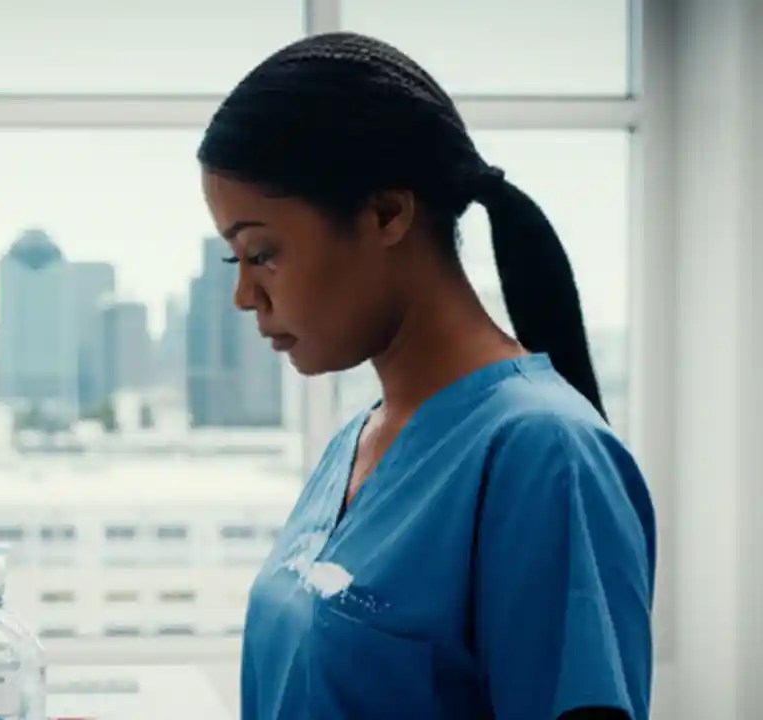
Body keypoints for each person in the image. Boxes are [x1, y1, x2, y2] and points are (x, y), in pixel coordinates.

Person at [198, 33, 655, 720]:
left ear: (387, 213)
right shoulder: (356, 442)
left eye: (262, 252)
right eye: (235, 261)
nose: (244, 297)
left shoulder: (544, 455)